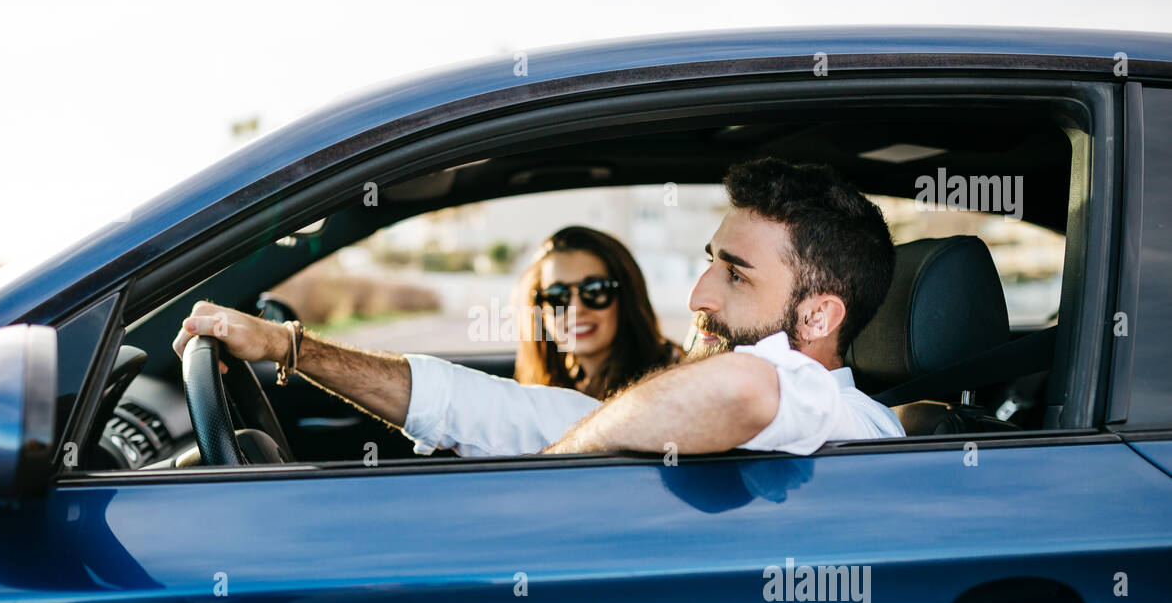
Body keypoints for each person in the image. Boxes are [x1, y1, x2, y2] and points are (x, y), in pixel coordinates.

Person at [172, 157, 906, 459]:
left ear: (818, 318)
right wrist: (290, 349)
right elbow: (481, 407)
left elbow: (745, 387)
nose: (697, 297)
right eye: (707, 263)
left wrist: (559, 469)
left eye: (735, 277)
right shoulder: (708, 407)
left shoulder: (851, 424)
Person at [513, 225, 679, 399]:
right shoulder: (551, 388)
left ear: (627, 298)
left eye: (594, 290)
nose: (576, 310)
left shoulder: (664, 384)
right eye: (557, 296)